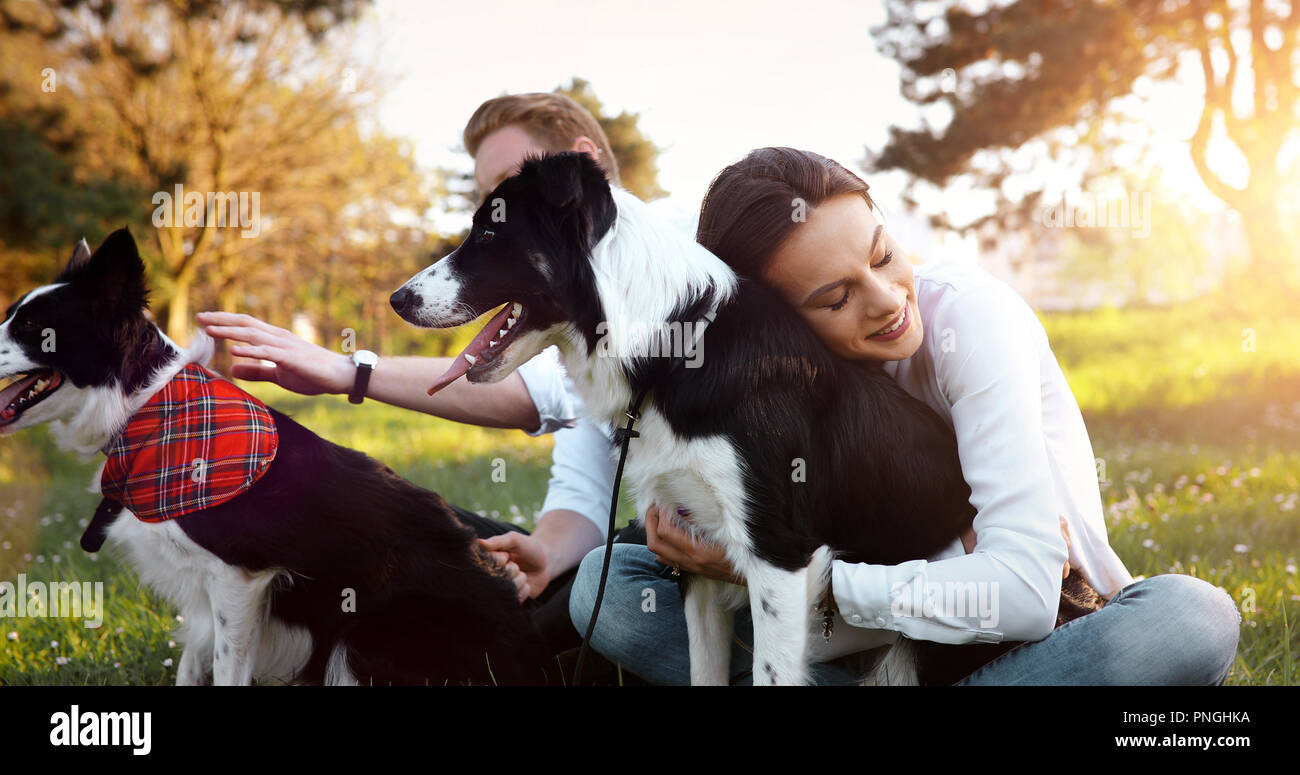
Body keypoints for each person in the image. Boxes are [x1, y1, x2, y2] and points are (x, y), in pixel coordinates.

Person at [567, 147, 1243, 685]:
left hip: (1033, 640)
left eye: (884, 253)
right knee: (608, 583)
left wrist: (796, 576)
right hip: (848, 641)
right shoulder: (766, 387)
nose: (888, 300)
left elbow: (1026, 595)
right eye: (837, 297)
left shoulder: (971, 317)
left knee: (1190, 617)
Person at [196, 92, 650, 661]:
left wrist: (349, 371)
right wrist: (543, 554)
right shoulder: (566, 324)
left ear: (581, 167)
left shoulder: (696, 248)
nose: (498, 221)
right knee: (390, 518)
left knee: (606, 598)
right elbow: (585, 481)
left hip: (668, 574)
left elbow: (540, 396)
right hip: (598, 569)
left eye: (508, 190)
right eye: (488, 205)